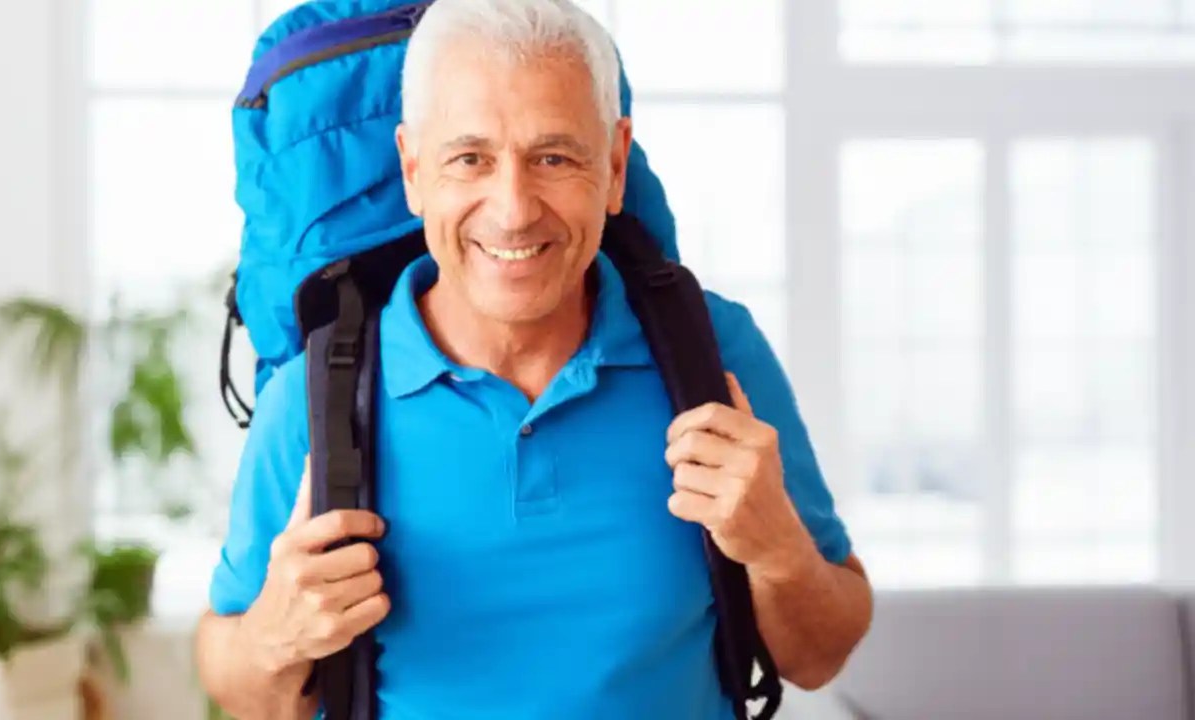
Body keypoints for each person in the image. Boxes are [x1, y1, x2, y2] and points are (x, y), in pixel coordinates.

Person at [196, 1, 873, 718]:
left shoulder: (711, 355)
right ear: (414, 170)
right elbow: (247, 689)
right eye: (470, 158)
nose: (514, 208)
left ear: (614, 166)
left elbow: (820, 653)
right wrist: (276, 634)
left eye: (553, 156)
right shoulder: (320, 396)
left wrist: (777, 551)